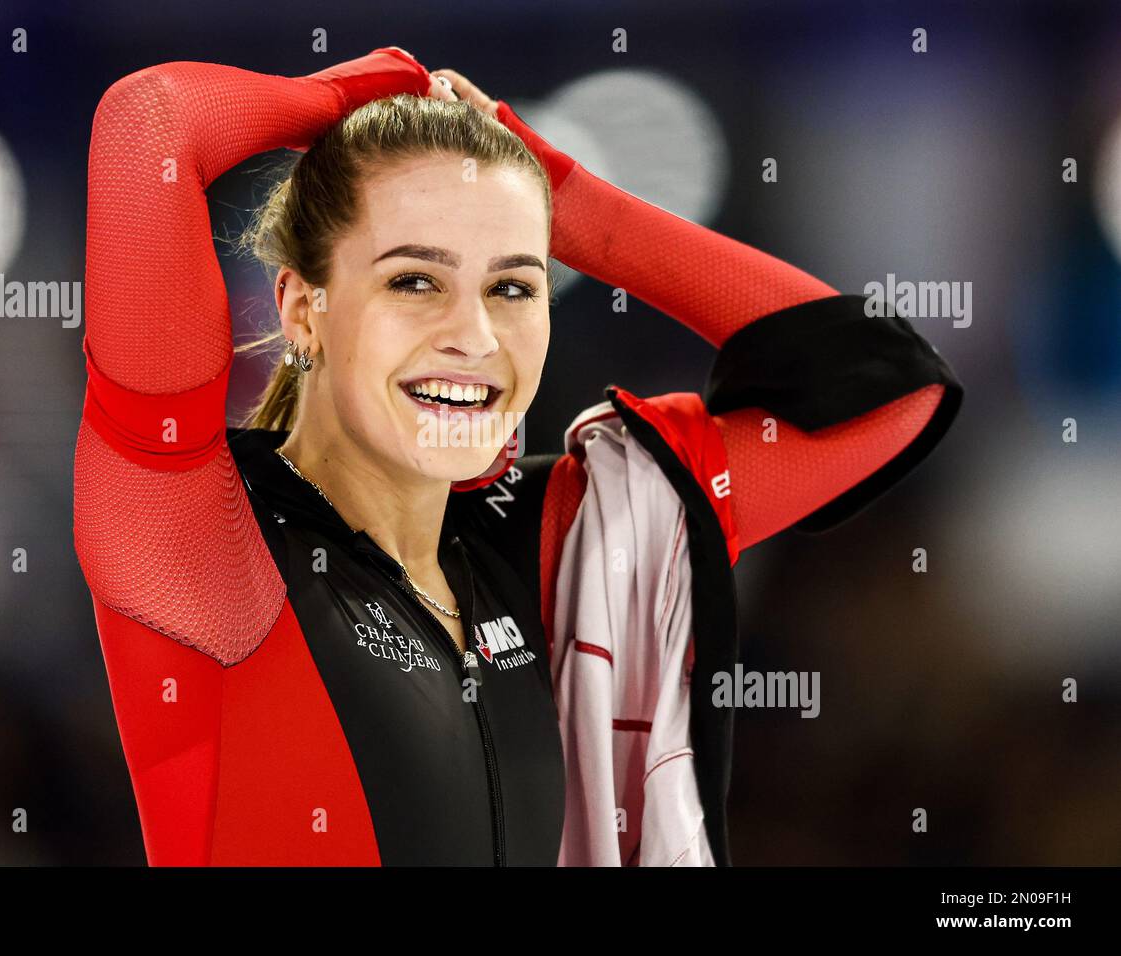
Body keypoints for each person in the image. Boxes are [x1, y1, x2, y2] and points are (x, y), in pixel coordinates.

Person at [73, 46, 961, 866]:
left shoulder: (558, 544)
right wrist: (349, 94)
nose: (473, 336)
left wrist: (574, 204)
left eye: (512, 286)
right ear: (304, 310)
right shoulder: (203, 535)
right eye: (414, 281)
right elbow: (150, 125)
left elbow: (886, 393)